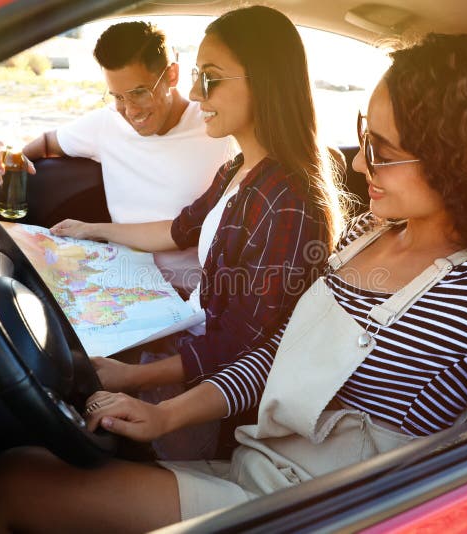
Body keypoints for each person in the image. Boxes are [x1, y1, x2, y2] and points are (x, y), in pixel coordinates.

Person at [0, 33, 467, 532]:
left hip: (328, 509)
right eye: (363, 136)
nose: (360, 167)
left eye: (382, 151)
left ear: (455, 160)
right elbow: (282, 354)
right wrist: (167, 413)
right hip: (255, 474)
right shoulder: (372, 233)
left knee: (11, 489)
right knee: (22, 462)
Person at [47, 3, 345, 460]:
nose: (193, 91)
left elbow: (241, 343)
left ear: (264, 81)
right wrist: (93, 230)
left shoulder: (289, 201)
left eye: (210, 77)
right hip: (186, 341)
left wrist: (132, 378)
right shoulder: (238, 169)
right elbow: (180, 228)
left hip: (210, 394)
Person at [0, 21, 233, 224]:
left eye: (139, 93)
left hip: (190, 283)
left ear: (172, 75)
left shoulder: (217, 125)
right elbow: (46, 142)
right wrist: (7, 151)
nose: (130, 111)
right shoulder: (106, 123)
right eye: (118, 97)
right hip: (118, 273)